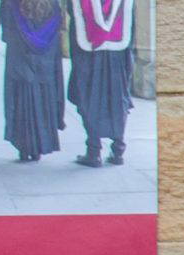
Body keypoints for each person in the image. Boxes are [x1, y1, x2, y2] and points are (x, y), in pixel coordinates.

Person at [63, 0, 131, 167]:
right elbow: (131, 26)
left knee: (89, 98)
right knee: (117, 99)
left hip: (89, 55)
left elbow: (73, 19)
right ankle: (118, 151)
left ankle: (94, 152)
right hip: (117, 57)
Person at [0, 0, 64, 163]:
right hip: (45, 63)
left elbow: (5, 35)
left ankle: (24, 148)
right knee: (42, 99)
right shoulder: (53, 5)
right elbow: (58, 32)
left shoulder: (10, 4)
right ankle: (40, 146)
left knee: (21, 101)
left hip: (19, 61)